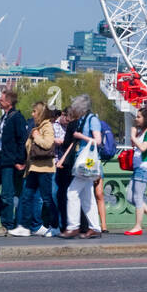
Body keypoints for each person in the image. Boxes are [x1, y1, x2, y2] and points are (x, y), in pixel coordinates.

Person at [10, 102, 58, 237]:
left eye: (34, 112)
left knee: (47, 198)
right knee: (26, 197)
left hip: (44, 169)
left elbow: (48, 144)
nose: (32, 114)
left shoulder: (47, 126)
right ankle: (25, 227)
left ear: (40, 113)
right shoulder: (37, 127)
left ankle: (55, 226)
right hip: (33, 168)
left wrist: (36, 136)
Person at [58, 95, 102, 239]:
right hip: (84, 161)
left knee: (71, 192)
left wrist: (80, 136)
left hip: (87, 162)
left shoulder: (92, 120)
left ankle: (73, 227)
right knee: (87, 196)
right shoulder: (84, 119)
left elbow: (98, 141)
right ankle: (95, 227)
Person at [0, 88, 27, 234]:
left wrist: (20, 160)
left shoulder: (17, 117)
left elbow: (22, 140)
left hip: (10, 162)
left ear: (8, 102)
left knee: (7, 194)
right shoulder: (5, 117)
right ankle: (4, 214)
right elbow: (2, 141)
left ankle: (7, 225)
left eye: (1, 99)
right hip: (1, 160)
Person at [124, 106, 147, 236]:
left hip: (144, 167)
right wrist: (134, 137)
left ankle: (138, 226)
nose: (136, 119)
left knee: (138, 197)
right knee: (130, 197)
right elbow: (135, 148)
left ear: (146, 119)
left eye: (139, 116)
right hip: (137, 167)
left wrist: (133, 137)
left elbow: (144, 148)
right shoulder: (141, 131)